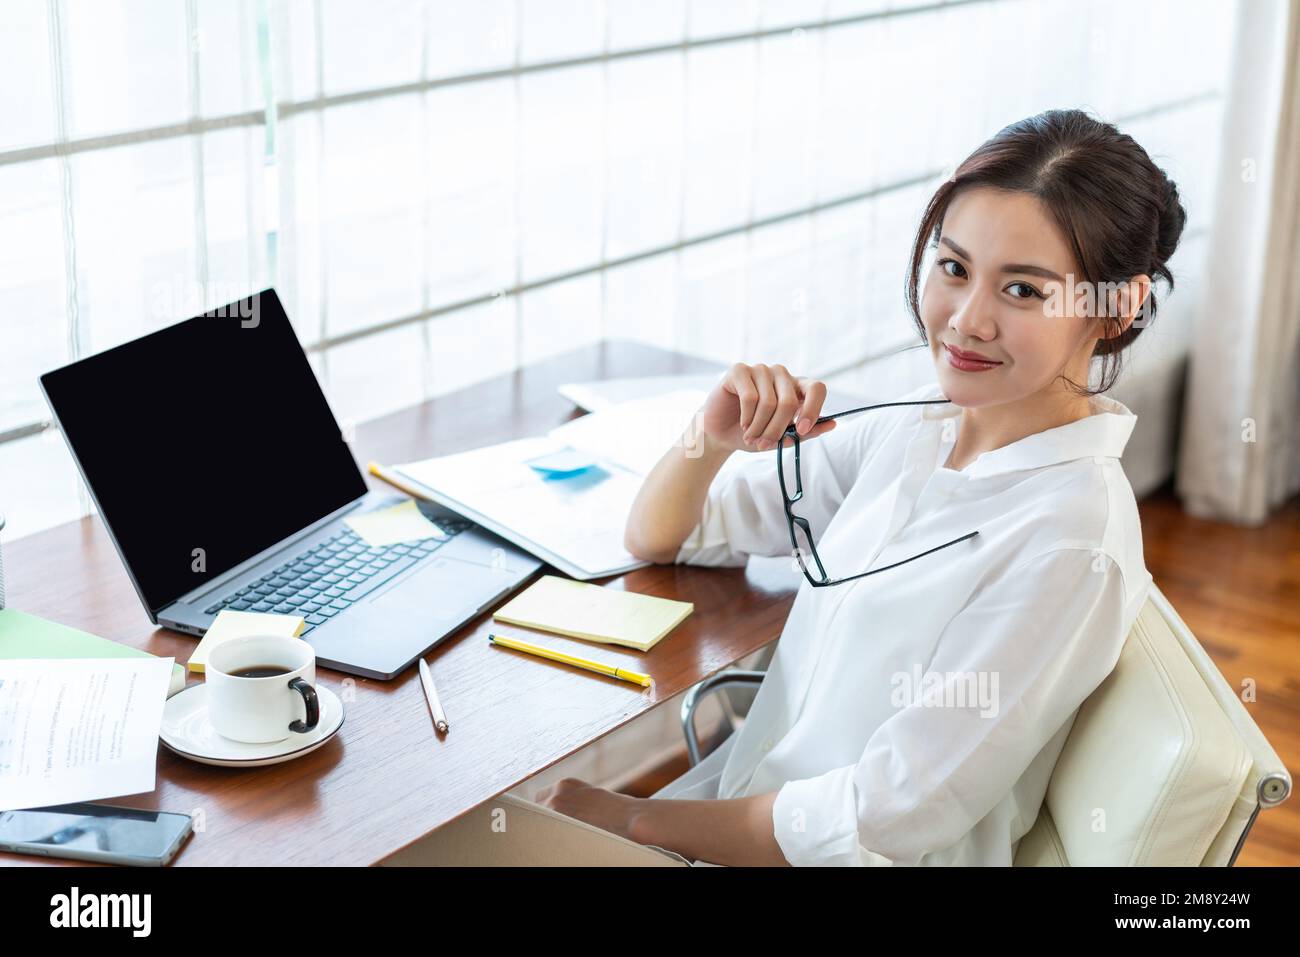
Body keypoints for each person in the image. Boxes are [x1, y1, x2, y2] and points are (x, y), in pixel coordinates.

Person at [382, 107, 1184, 867]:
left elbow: (890, 812)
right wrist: (709, 436)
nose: (965, 319)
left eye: (1022, 290)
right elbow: (663, 536)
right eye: (953, 267)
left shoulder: (1069, 536)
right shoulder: (915, 433)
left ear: (1116, 307)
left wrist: (633, 817)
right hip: (730, 812)